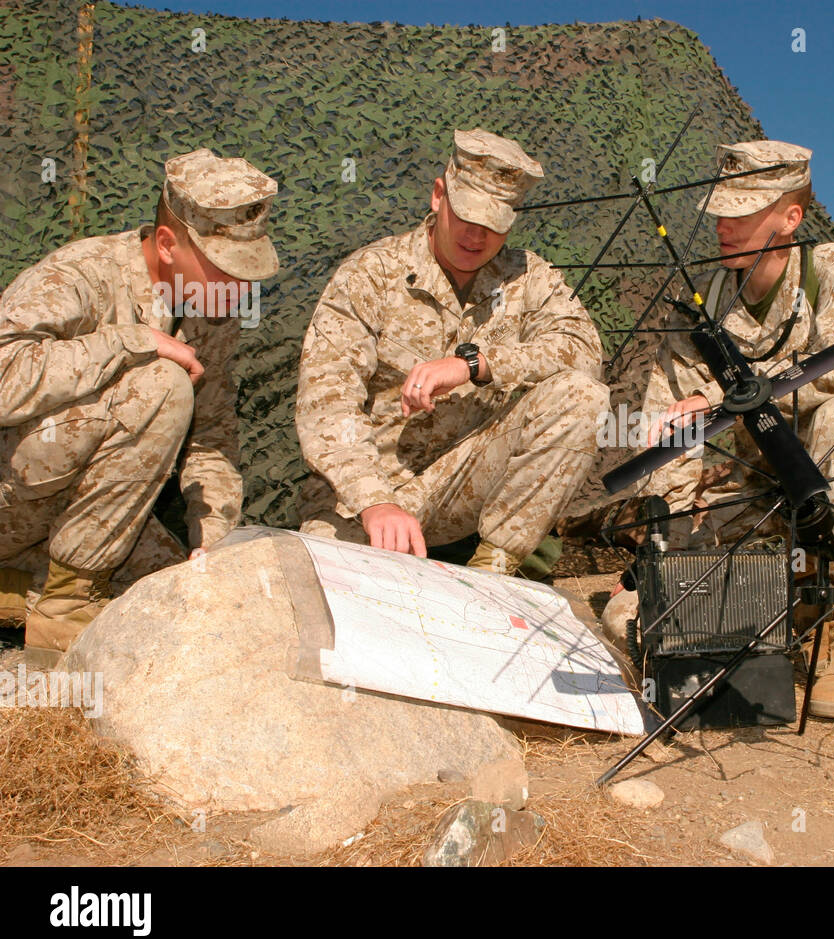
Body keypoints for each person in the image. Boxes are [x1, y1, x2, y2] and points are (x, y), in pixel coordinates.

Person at [635, 139, 834, 720]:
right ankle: (792, 603)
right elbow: (671, 432)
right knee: (636, 614)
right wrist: (661, 543)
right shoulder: (703, 300)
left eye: (746, 211)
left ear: (791, 217)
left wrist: (720, 394)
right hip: (747, 490)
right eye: (722, 211)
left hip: (818, 481)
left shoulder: (827, 268)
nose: (725, 226)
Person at [0, 149, 280, 663]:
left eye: (248, 274)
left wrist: (212, 540)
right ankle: (65, 606)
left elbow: (211, 434)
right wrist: (131, 341)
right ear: (169, 244)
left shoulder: (209, 311)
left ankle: (23, 588)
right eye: (225, 271)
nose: (241, 290)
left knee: (181, 601)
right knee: (163, 383)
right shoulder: (81, 275)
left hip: (75, 512)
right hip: (12, 496)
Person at [296, 128, 608, 574]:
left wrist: (476, 364)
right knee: (330, 592)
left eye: (494, 225)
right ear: (439, 196)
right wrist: (376, 502)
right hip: (367, 500)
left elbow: (584, 351)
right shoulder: (371, 274)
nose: (477, 237)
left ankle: (492, 574)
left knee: (582, 396)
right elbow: (325, 406)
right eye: (467, 216)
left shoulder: (528, 277)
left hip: (462, 491)